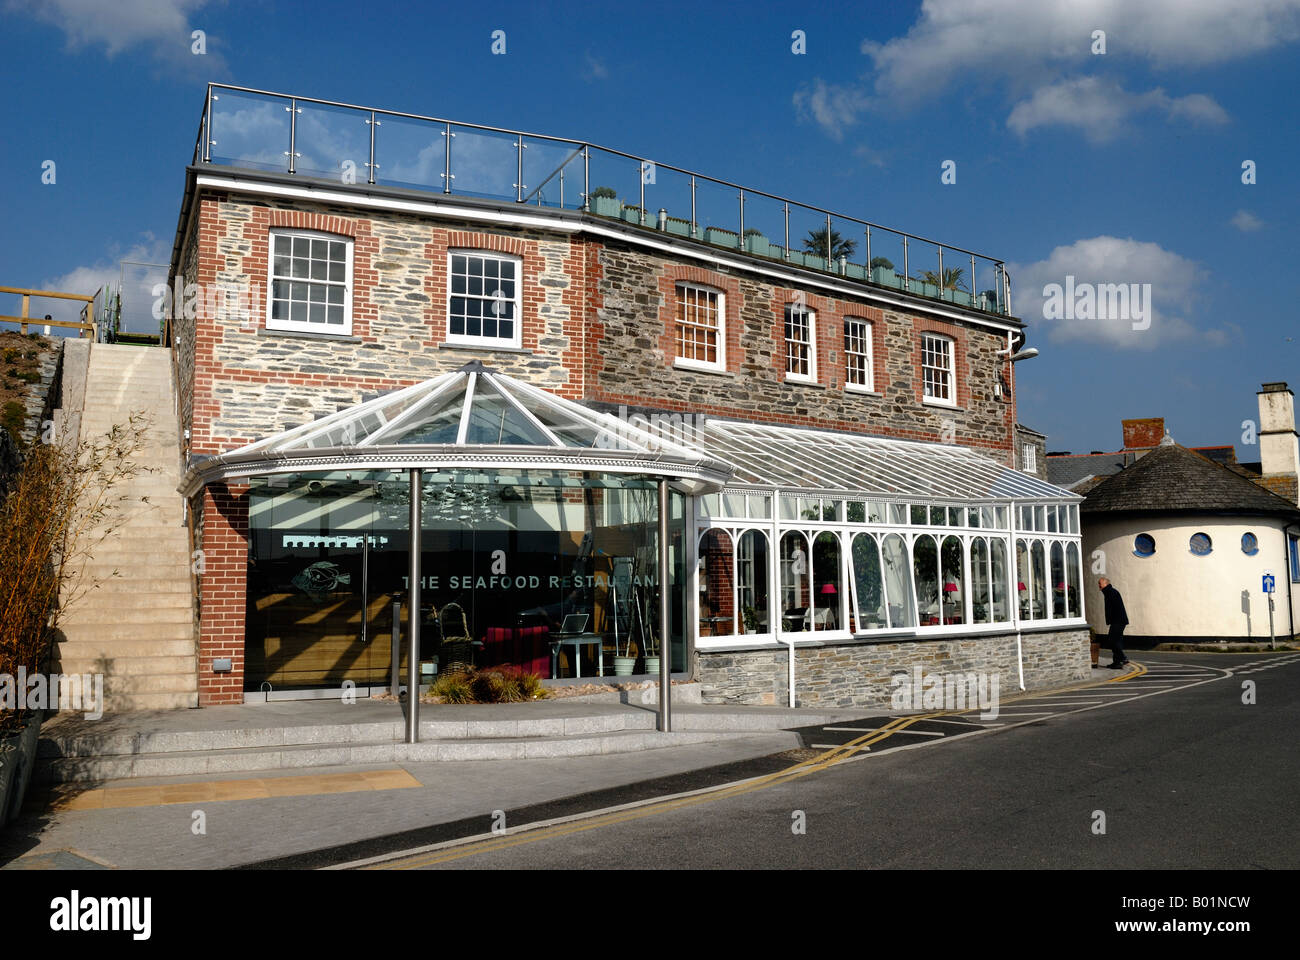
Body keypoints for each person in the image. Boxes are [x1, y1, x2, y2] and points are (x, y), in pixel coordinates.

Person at [1097, 577, 1130, 668]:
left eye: (1100, 583)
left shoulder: (1111, 592)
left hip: (1118, 621)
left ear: (1106, 584)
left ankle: (1122, 658)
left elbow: (1114, 608)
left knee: (1112, 640)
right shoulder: (1109, 592)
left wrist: (1112, 620)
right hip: (1118, 620)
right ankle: (1117, 662)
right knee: (1116, 641)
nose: (1098, 585)